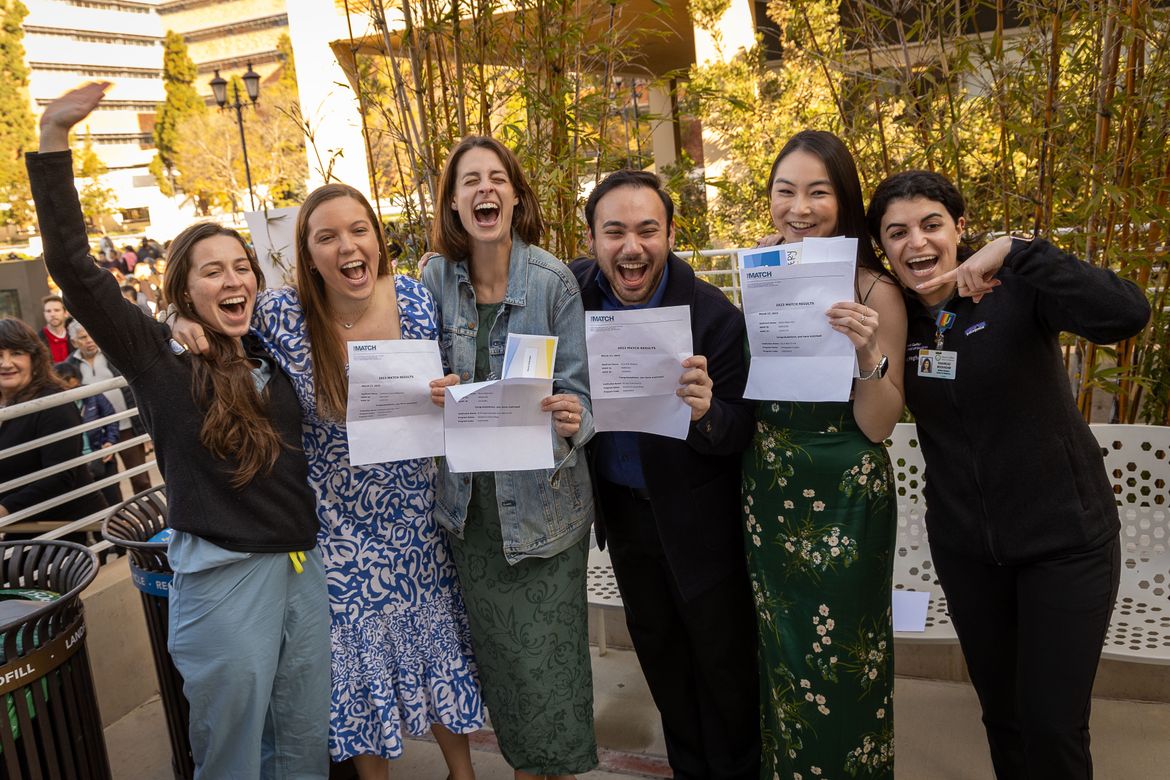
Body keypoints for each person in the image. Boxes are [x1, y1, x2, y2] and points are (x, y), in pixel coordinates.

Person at [30, 82, 330, 779]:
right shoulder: (160, 361)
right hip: (226, 584)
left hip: (300, 570)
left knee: (301, 746)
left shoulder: (266, 351)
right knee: (231, 757)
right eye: (213, 271)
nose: (235, 281)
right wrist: (53, 139)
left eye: (243, 269)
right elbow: (74, 268)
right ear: (185, 291)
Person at [173, 182, 484, 780]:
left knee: (436, 646)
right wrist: (176, 318)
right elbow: (217, 314)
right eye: (327, 236)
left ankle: (462, 775)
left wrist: (451, 398)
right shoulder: (281, 316)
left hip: (414, 517)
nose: (347, 245)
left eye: (359, 230)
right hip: (333, 532)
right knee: (352, 671)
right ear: (308, 257)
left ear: (378, 240)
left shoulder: (418, 301)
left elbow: (460, 388)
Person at [866, 169, 1150, 779]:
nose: (917, 243)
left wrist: (1023, 250)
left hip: (1064, 544)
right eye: (897, 233)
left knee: (1052, 726)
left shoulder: (1015, 285)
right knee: (1004, 717)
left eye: (931, 225)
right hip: (969, 553)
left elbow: (1128, 313)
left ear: (959, 228)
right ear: (882, 249)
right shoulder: (897, 321)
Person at [570, 169, 761, 779]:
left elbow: (743, 431)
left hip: (702, 525)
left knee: (724, 671)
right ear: (594, 239)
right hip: (625, 518)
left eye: (648, 230)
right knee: (662, 661)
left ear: (671, 234)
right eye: (615, 231)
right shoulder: (570, 297)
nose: (632, 247)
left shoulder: (713, 316)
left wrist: (708, 414)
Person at [422, 135, 596, 780]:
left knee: (548, 671)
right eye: (469, 180)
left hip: (545, 516)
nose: (484, 189)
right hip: (471, 518)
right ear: (454, 202)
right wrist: (429, 389)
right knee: (503, 669)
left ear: (515, 196)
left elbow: (581, 396)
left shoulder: (554, 282)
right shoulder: (433, 277)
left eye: (497, 178)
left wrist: (574, 417)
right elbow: (408, 374)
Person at [742, 131, 906, 778]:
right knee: (781, 654)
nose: (799, 207)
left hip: (845, 494)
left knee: (842, 656)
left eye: (818, 192)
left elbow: (879, 425)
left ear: (844, 201)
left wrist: (868, 354)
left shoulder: (875, 292)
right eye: (786, 191)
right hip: (769, 488)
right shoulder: (758, 271)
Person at [0, 319, 107, 532]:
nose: (5, 363)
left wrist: (4, 509)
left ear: (34, 358)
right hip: (17, 526)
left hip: (65, 531)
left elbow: (59, 478)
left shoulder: (54, 403)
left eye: (16, 353)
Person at [64, 320, 152, 497]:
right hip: (97, 435)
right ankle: (120, 523)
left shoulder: (112, 354)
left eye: (90, 334)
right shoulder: (70, 366)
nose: (89, 340)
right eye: (82, 337)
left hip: (127, 426)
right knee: (110, 484)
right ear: (74, 342)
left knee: (141, 479)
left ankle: (152, 518)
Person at [54, 360, 122, 506]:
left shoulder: (92, 394)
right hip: (77, 463)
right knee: (88, 504)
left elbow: (111, 417)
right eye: (65, 389)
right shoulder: (54, 406)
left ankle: (119, 527)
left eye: (74, 387)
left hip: (100, 455)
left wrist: (110, 442)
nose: (71, 393)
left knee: (113, 497)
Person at [39, 294, 71, 362]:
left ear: (65, 313)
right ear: (44, 314)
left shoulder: (74, 336)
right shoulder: (38, 340)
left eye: (56, 310)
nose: (52, 314)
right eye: (48, 311)